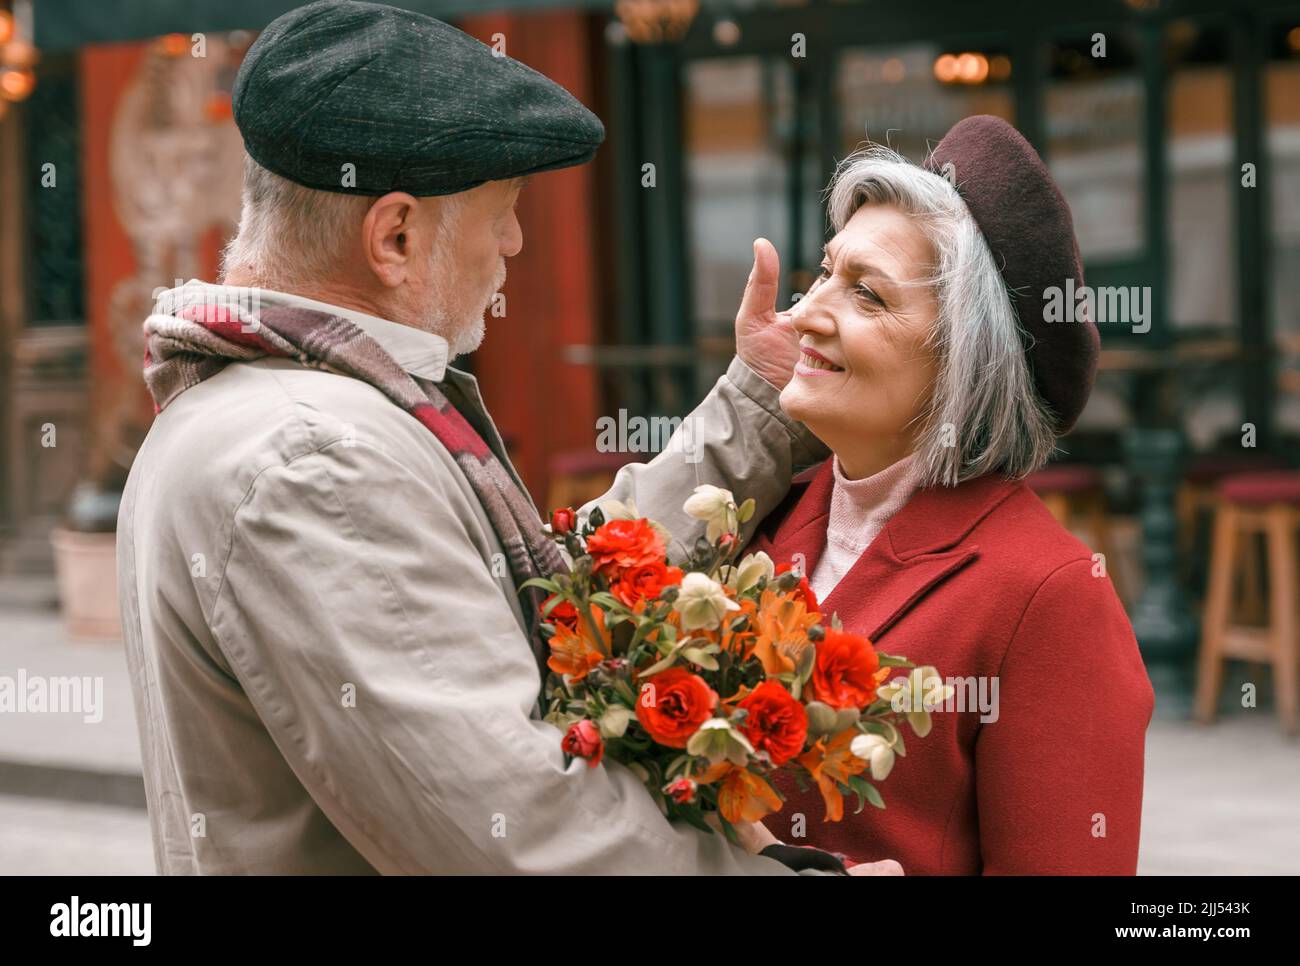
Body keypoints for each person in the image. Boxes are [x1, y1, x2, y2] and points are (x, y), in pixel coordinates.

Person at [118, 0, 845, 874]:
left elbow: (564, 586)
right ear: (393, 236)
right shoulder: (310, 455)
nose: (514, 240)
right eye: (499, 209)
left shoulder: (270, 407)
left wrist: (759, 404)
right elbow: (522, 833)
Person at [745, 117, 1155, 874]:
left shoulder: (1048, 594)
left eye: (866, 295)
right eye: (824, 273)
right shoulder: (752, 520)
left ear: (964, 362)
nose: (803, 312)